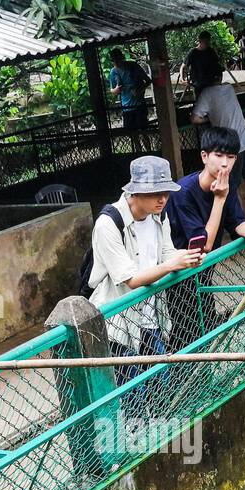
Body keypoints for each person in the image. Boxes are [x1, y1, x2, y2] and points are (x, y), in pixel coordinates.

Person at [87, 155, 202, 406]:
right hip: (120, 323)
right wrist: (173, 264)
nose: (162, 199)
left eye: (166, 193)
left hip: (153, 316)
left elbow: (167, 254)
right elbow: (130, 279)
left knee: (162, 383)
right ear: (135, 192)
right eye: (154, 193)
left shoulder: (158, 215)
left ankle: (160, 433)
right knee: (133, 394)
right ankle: (136, 439)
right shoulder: (109, 223)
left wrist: (186, 257)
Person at [165, 126, 245, 340]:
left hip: (205, 270)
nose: (225, 163)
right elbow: (203, 244)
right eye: (219, 155)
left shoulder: (227, 185)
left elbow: (236, 220)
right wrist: (219, 199)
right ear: (204, 156)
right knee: (185, 331)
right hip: (179, 273)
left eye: (231, 157)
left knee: (205, 325)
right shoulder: (183, 193)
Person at [189, 80, 245, 221]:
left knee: (232, 187)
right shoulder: (228, 87)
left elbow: (195, 118)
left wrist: (208, 119)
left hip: (230, 146)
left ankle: (239, 221)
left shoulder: (207, 93)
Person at [108, 49, 152, 150]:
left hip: (139, 105)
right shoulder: (113, 72)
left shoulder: (133, 66)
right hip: (126, 108)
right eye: (114, 61)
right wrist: (116, 90)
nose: (116, 63)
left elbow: (148, 80)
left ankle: (149, 153)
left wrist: (140, 90)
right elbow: (112, 90)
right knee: (133, 135)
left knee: (144, 132)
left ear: (121, 58)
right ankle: (138, 153)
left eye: (117, 60)